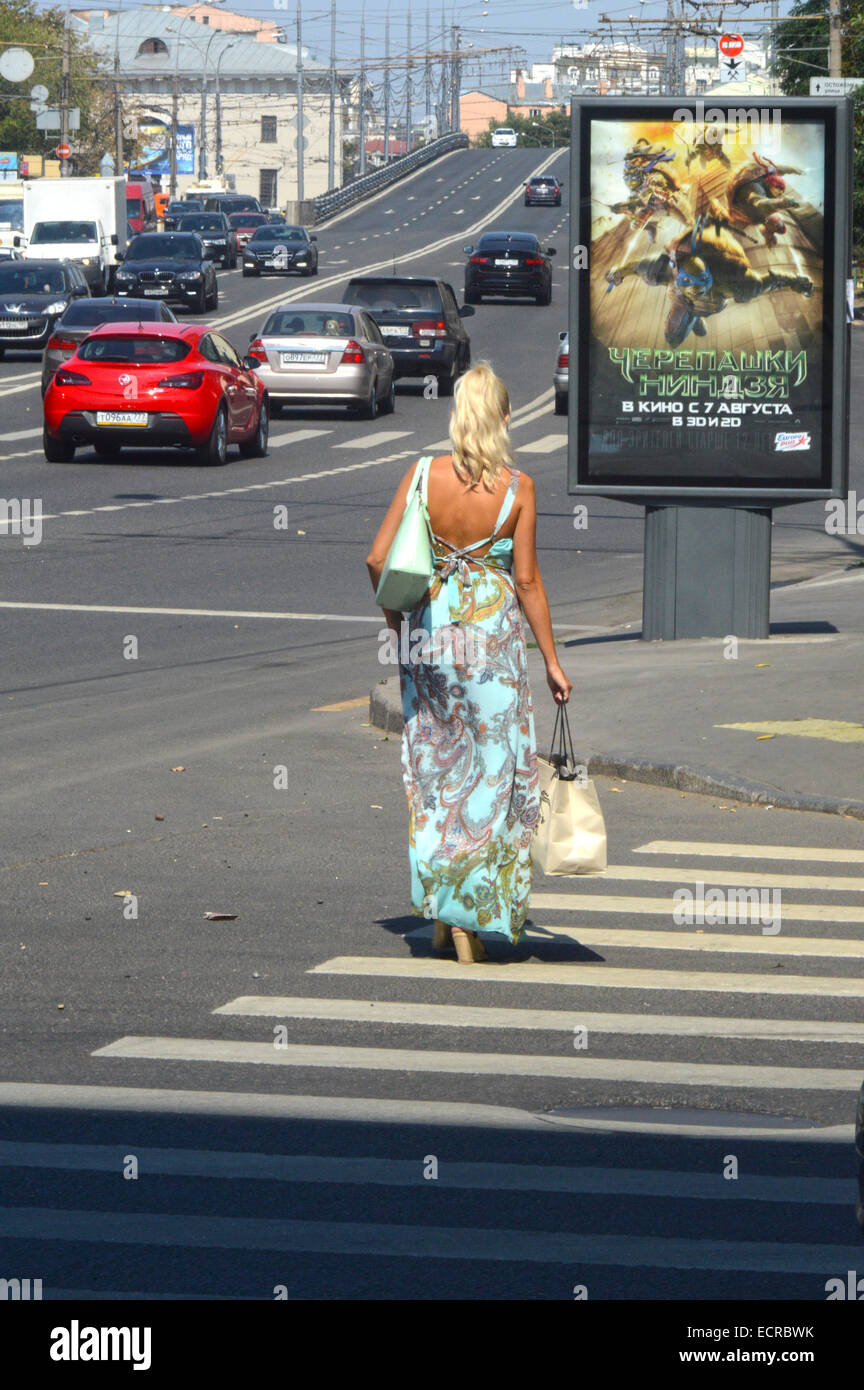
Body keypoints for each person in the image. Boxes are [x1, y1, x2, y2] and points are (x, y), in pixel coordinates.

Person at [366, 363, 572, 964]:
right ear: (505, 418)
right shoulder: (518, 488)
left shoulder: (423, 476)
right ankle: (468, 915)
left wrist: (394, 620)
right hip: (492, 649)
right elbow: (527, 581)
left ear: (458, 416)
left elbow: (379, 559)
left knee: (437, 774)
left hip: (431, 640)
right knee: (491, 777)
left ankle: (441, 908)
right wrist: (553, 663)